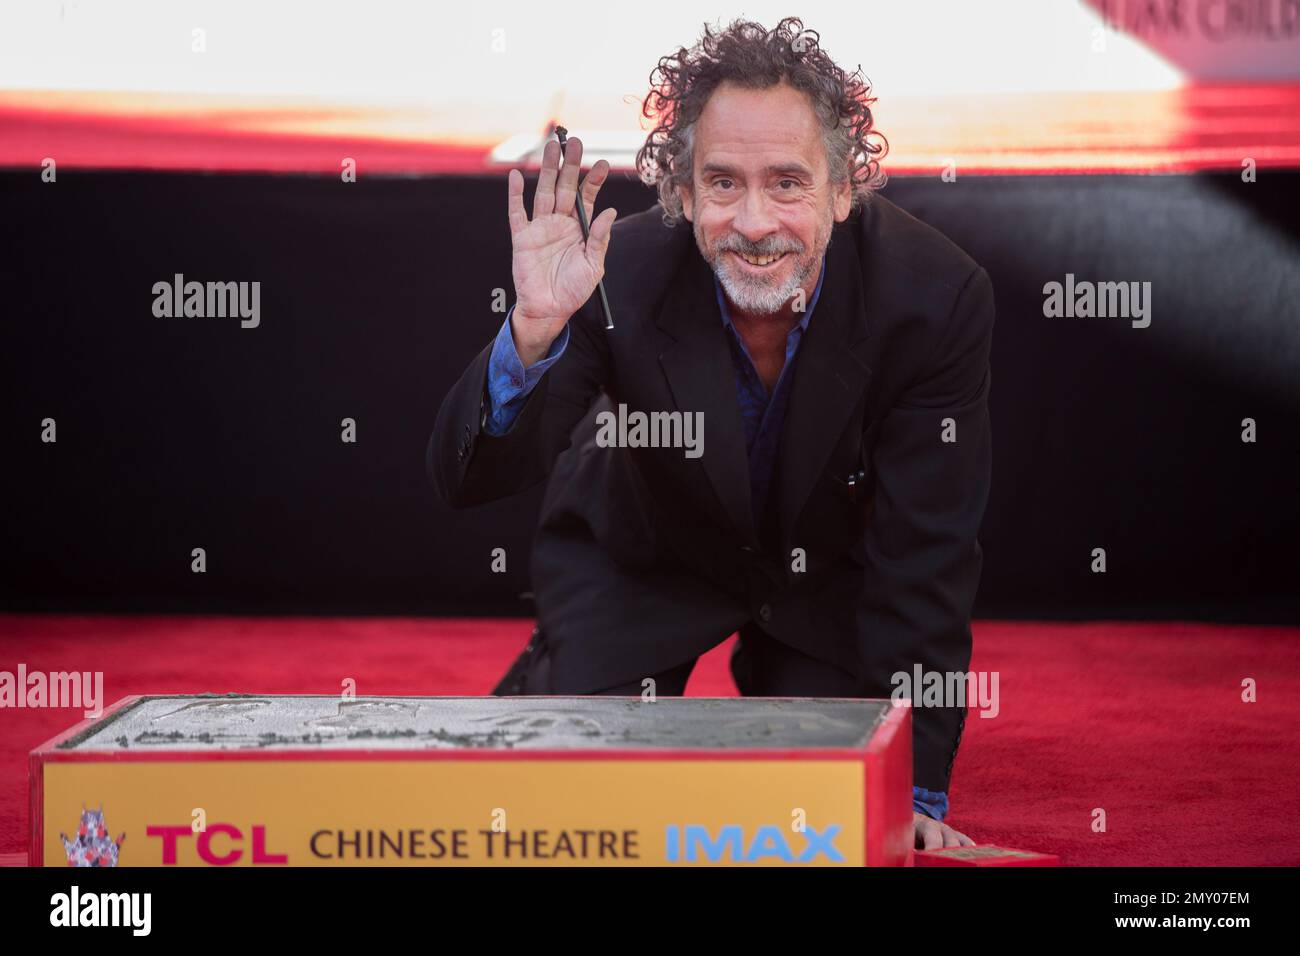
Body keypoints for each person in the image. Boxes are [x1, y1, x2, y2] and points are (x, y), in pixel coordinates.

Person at [428, 17, 992, 850]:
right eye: (723, 183)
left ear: (844, 189)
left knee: (822, 808)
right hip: (645, 552)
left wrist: (912, 791)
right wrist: (535, 334)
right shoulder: (612, 273)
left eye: (788, 183)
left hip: (823, 576)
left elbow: (929, 556)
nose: (755, 223)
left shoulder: (936, 296)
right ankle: (553, 675)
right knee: (562, 801)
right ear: (683, 193)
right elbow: (467, 479)